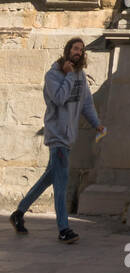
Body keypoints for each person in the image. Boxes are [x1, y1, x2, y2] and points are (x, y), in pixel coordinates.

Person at [9, 38, 104, 244]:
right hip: (57, 136)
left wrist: (97, 124)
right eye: (75, 48)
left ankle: (19, 212)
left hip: (68, 138)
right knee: (61, 185)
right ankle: (63, 229)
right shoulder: (52, 75)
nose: (78, 52)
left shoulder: (80, 76)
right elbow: (59, 99)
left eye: (81, 49)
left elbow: (86, 103)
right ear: (67, 51)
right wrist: (68, 76)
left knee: (49, 178)